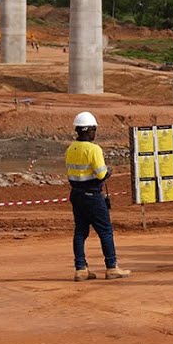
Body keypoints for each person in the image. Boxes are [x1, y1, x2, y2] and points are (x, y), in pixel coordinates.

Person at [66, 112, 130, 281]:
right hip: (92, 196)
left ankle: (81, 269)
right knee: (105, 232)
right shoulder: (93, 149)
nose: (95, 132)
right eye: (94, 129)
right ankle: (111, 267)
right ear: (89, 130)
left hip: (76, 194)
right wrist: (108, 172)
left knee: (80, 232)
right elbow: (101, 174)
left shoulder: (70, 149)